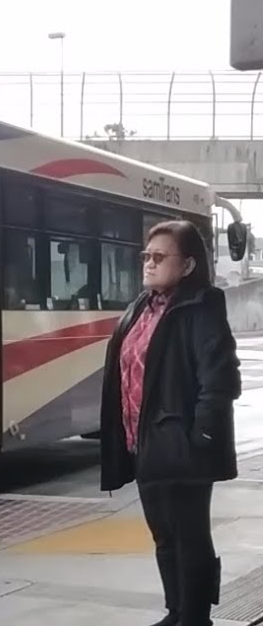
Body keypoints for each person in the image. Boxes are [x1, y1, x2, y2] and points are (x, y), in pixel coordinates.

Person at [99, 219, 242, 626]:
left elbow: (220, 378)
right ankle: (176, 611)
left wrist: (201, 436)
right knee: (164, 535)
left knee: (189, 537)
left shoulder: (201, 307)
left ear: (188, 265)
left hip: (183, 446)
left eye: (160, 257)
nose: (149, 263)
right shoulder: (141, 308)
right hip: (145, 444)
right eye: (146, 256)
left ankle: (195, 618)